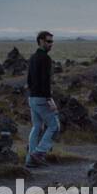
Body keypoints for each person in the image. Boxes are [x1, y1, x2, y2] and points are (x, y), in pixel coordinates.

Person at [26, 30, 59, 167]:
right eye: (48, 41)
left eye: (52, 41)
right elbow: (45, 80)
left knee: (37, 127)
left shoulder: (33, 57)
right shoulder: (45, 58)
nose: (51, 44)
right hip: (41, 98)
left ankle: (30, 160)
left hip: (32, 97)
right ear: (40, 41)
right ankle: (39, 153)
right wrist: (49, 100)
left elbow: (29, 79)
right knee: (54, 126)